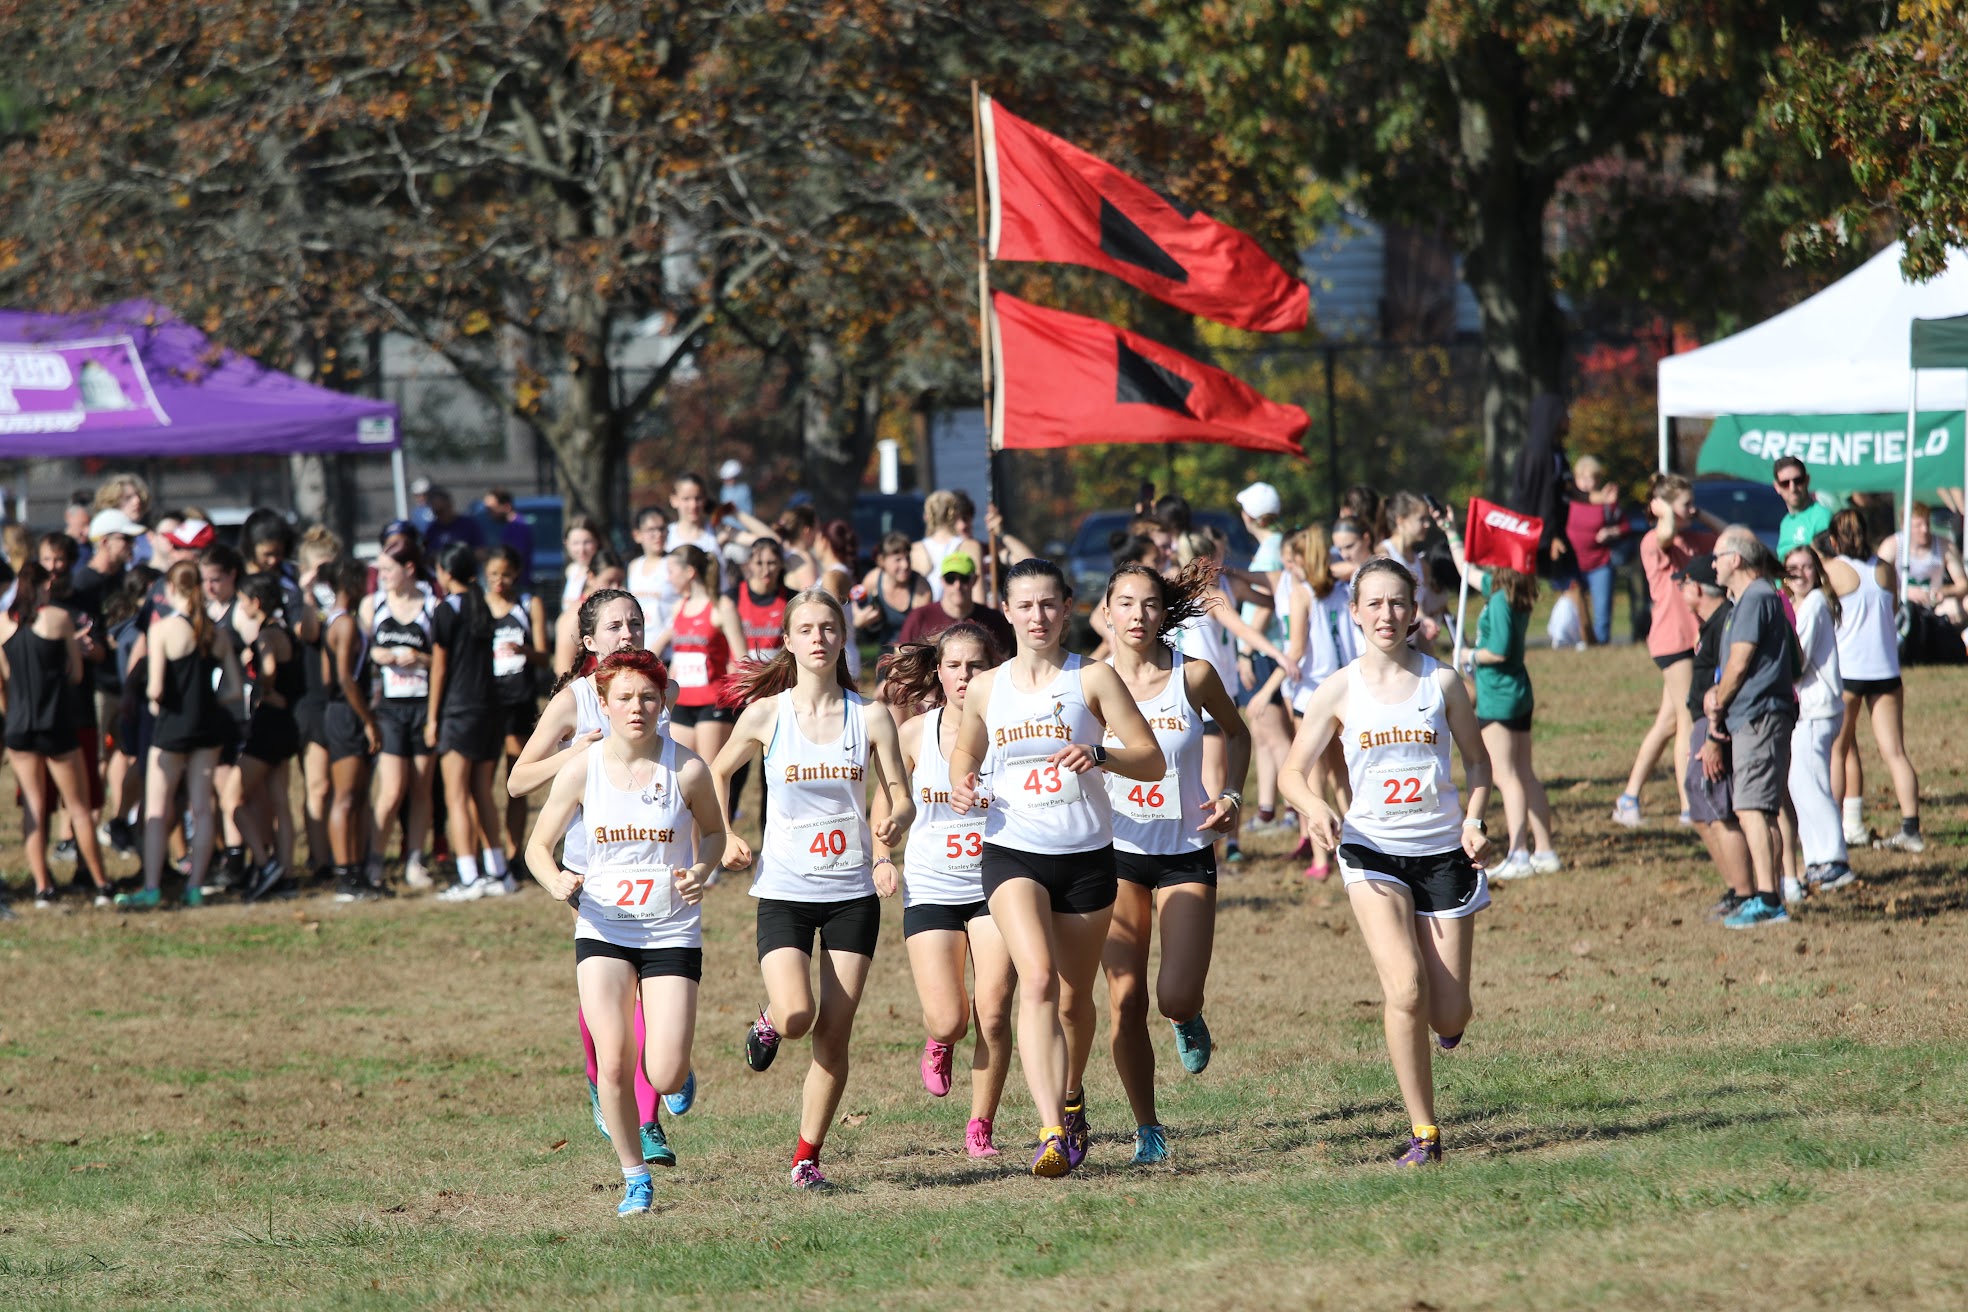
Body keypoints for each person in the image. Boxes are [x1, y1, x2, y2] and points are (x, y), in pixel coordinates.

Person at [945, 558, 1164, 1178]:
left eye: (1049, 604)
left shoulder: (1092, 678)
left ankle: (1071, 1093)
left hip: (1088, 857)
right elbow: (967, 746)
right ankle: (1050, 1133)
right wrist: (964, 779)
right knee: (1035, 979)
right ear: (1007, 611)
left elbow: (1149, 759)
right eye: (1025, 605)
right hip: (1012, 849)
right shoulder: (988, 687)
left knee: (1073, 1001)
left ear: (1067, 609)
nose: (1037, 616)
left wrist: (1100, 754)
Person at [1277, 558, 1495, 1168]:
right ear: (1354, 612)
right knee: (1404, 987)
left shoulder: (1443, 683)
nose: (1387, 615)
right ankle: (1424, 1132)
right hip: (1371, 849)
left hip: (1443, 852)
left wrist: (1475, 819)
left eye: (1398, 603)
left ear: (1415, 608)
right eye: (1373, 604)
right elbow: (1291, 772)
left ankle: (1448, 1024)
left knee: (1449, 1010)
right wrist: (1316, 807)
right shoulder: (1339, 688)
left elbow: (1478, 765)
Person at [711, 588, 916, 1190]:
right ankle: (769, 1022)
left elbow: (899, 793)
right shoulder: (767, 715)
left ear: (843, 636)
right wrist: (725, 835)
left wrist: (894, 826)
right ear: (789, 640)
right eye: (807, 628)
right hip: (785, 890)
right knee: (798, 1013)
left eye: (829, 627)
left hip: (853, 890)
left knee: (835, 1029)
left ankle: (806, 1157)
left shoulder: (871, 715)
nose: (819, 638)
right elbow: (716, 774)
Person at [524, 648, 724, 1216]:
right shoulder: (582, 768)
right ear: (604, 704)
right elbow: (538, 847)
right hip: (603, 925)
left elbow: (712, 833)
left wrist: (702, 870)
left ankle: (677, 1067)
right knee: (612, 1060)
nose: (636, 708)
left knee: (661, 1070)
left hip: (670, 930)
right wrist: (557, 880)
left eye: (647, 697)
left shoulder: (686, 768)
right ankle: (634, 1175)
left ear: (662, 703)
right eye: (624, 698)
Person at [1099, 560, 1249, 1165]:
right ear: (1106, 611)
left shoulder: (1194, 677)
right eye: (1126, 603)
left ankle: (1189, 1019)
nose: (1138, 615)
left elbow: (1237, 735)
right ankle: (1147, 1127)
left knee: (1175, 995)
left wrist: (1232, 795)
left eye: (1150, 604)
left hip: (1186, 849)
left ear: (1165, 614)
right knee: (1124, 998)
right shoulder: (1086, 681)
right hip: (1114, 854)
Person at [876, 623, 1016, 1158]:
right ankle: (940, 1042)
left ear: (993, 670)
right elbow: (886, 797)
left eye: (976, 666)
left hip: (999, 881)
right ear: (938, 671)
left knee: (995, 1012)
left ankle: (981, 1125)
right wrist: (882, 854)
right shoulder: (914, 732)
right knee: (949, 1018)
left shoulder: (1010, 731)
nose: (964, 676)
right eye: (954, 666)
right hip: (932, 884)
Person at [119, 560, 242, 909]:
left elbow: (156, 688)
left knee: (157, 807)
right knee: (203, 808)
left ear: (171, 590)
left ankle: (153, 886)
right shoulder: (215, 632)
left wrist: (161, 707)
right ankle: (195, 886)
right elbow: (234, 689)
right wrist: (206, 700)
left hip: (172, 729)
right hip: (208, 728)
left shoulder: (163, 630)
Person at [2, 562, 113, 908]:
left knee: (34, 808)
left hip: (19, 726)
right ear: (44, 586)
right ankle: (101, 883)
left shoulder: (3, 624)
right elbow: (76, 674)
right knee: (77, 806)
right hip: (55, 722)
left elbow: (3, 681)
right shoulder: (59, 619)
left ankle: (42, 887)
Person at [1614, 473, 1722, 828]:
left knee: (1668, 722)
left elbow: (1735, 535)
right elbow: (1663, 534)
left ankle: (1628, 799)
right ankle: (1689, 807)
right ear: (1664, 509)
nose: (1691, 509)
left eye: (1693, 503)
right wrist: (1664, 513)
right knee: (1688, 722)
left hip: (1694, 641)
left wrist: (1699, 512)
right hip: (1672, 642)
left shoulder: (1695, 538)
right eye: (1685, 504)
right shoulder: (1652, 541)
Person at [1707, 529, 1798, 929]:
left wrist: (1718, 699)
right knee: (1763, 808)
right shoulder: (1760, 598)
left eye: (1717, 556)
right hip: (1764, 713)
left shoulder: (1756, 598)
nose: (1712, 564)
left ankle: (1768, 901)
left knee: (1751, 809)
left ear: (1736, 559)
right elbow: (1795, 658)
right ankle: (1770, 893)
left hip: (1758, 715)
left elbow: (1740, 663)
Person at [1824, 508, 1923, 852]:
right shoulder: (1885, 569)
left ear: (1834, 539)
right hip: (1886, 671)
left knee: (1837, 751)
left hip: (1849, 672)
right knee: (1895, 752)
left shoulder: (1833, 569)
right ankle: (1911, 828)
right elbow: (1894, 608)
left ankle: (1834, 830)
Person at [428, 543, 512, 900]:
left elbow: (440, 666)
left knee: (456, 796)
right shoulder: (483, 604)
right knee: (482, 794)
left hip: (459, 711)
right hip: (489, 710)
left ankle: (468, 876)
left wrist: (432, 717)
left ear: (446, 572)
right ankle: (499, 872)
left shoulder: (446, 609)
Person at [1467, 566, 1559, 880]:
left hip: (1498, 696)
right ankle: (1545, 851)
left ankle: (1519, 853)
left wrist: (1470, 655)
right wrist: (1451, 531)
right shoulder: (1515, 592)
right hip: (1518, 692)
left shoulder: (1498, 599)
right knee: (1523, 772)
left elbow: (1499, 650)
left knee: (1505, 776)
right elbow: (1467, 572)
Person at [1677, 554, 1754, 921]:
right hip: (1703, 727)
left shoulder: (1725, 622)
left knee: (1721, 813)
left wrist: (1713, 739)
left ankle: (1745, 892)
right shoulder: (1712, 623)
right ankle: (1734, 887)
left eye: (1681, 584)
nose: (1679, 591)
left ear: (1695, 587)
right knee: (1701, 813)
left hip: (1713, 730)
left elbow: (1727, 683)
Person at [361, 546, 437, 890]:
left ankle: (415, 860)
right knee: (391, 790)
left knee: (421, 788)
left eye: (389, 569)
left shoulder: (431, 605)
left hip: (423, 706)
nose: (382, 575)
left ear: (409, 568)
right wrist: (378, 653)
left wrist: (420, 659)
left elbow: (442, 660)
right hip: (389, 708)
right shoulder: (373, 606)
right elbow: (360, 656)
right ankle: (374, 861)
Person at [1781, 546, 1853, 892]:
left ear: (1817, 571)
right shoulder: (1807, 605)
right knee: (1801, 784)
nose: (1800, 574)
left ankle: (1834, 860)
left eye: (1807, 567)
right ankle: (1817, 861)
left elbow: (1799, 662)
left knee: (1810, 786)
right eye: (1793, 568)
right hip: (1815, 709)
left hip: (1815, 709)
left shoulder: (1813, 605)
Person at [231, 573, 303, 900]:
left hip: (269, 726)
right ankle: (286, 872)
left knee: (233, 799)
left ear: (255, 603)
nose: (240, 605)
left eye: (242, 599)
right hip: (287, 725)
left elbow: (270, 668)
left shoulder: (267, 635)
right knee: (280, 803)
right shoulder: (285, 629)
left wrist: (261, 686)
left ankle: (265, 863)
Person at [318, 559, 383, 901]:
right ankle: (344, 875)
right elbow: (342, 678)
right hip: (346, 713)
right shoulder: (343, 624)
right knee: (345, 797)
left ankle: (355, 870)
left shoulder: (336, 621)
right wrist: (368, 720)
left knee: (358, 796)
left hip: (345, 710)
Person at [646, 545, 743, 768]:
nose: (668, 578)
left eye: (671, 571)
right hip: (682, 701)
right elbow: (664, 648)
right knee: (678, 772)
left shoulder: (721, 607)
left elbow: (741, 658)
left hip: (713, 702)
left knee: (711, 774)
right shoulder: (679, 606)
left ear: (689, 572)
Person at [487, 545, 549, 864]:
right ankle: (489, 852)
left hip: (519, 701)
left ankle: (514, 853)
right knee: (482, 784)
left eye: (507, 574)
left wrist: (522, 650)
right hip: (486, 704)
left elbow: (544, 655)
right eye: (494, 574)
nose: (500, 581)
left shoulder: (528, 604)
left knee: (515, 779)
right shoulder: (480, 606)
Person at [894, 552, 1015, 654]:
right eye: (950, 579)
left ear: (975, 580)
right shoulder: (919, 617)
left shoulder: (994, 620)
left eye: (964, 579)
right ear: (942, 581)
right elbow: (900, 661)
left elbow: (1008, 661)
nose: (957, 585)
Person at [1565, 456, 1625, 646]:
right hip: (1573, 564)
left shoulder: (1607, 502)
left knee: (1602, 609)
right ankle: (1579, 640)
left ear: (1597, 479)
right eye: (1581, 478)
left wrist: (1611, 531)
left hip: (1600, 563)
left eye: (1590, 478)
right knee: (1574, 608)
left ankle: (1601, 645)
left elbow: (1625, 526)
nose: (1585, 483)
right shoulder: (1568, 501)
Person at [1880, 500, 1968, 629]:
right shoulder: (1892, 546)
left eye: (1927, 523)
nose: (1925, 529)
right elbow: (1878, 584)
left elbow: (1962, 585)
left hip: (1935, 605)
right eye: (1918, 525)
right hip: (1901, 603)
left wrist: (1943, 592)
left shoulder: (1945, 546)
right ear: (1904, 526)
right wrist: (1905, 593)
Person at [854, 532, 931, 653]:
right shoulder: (872, 581)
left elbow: (921, 633)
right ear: (881, 561)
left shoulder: (921, 589)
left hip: (913, 653)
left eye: (907, 557)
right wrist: (860, 622)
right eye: (898, 559)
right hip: (884, 651)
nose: (905, 565)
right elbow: (857, 612)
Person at [913, 490, 986, 604]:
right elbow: (979, 597)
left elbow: (917, 601)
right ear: (955, 514)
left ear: (927, 516)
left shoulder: (916, 549)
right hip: (962, 617)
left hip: (928, 618)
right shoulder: (970, 546)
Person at [625, 506, 672, 639]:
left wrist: (660, 645)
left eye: (662, 529)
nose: (658, 534)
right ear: (637, 535)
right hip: (641, 646)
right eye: (651, 530)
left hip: (668, 651)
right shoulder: (634, 566)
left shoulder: (673, 563)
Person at [1773, 458, 1834, 555]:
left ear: (1807, 480)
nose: (1792, 488)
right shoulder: (1785, 522)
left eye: (1798, 481)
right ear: (1777, 487)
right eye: (1785, 483)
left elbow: (1827, 561)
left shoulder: (1822, 516)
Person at [422, 486, 483, 559]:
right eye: (436, 513)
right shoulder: (432, 530)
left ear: (450, 506)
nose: (440, 516)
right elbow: (427, 555)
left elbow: (481, 553)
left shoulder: (469, 525)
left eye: (442, 511)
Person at [562, 515, 604, 614]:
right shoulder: (571, 570)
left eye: (587, 542)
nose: (581, 550)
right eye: (576, 543)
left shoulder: (603, 574)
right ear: (566, 543)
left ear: (597, 542)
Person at [481, 488, 535, 563]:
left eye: (492, 509)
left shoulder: (518, 526)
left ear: (506, 507)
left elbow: (514, 556)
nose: (488, 513)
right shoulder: (511, 526)